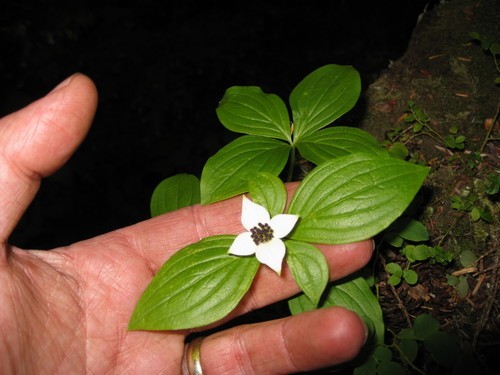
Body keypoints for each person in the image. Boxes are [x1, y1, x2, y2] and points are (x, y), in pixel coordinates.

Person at [0, 73, 374, 374]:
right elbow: (251, 239)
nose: (260, 232)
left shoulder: (270, 231)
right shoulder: (253, 241)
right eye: (259, 231)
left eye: (263, 230)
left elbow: (269, 231)